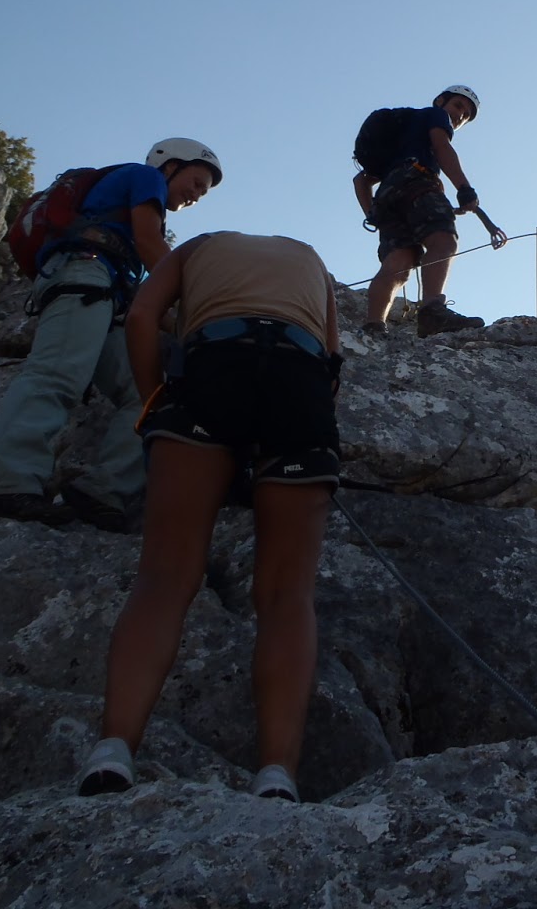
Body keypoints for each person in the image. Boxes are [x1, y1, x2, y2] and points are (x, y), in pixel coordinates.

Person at [76, 230, 342, 803]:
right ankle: (277, 773)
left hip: (213, 366)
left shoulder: (197, 247)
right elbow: (331, 357)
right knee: (287, 595)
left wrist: (155, 408)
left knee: (165, 579)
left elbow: (144, 317)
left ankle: (114, 748)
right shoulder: (311, 259)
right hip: (301, 383)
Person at [0, 138, 222, 529]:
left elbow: (145, 296)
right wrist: (201, 296)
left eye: (203, 192)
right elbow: (149, 241)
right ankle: (5, 486)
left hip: (106, 293)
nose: (197, 194)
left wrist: (187, 323)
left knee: (150, 394)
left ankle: (102, 491)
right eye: (196, 181)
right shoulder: (144, 177)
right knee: (56, 375)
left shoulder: (120, 219)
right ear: (170, 165)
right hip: (84, 276)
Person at [352, 84, 506, 338]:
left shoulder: (402, 137)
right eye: (458, 106)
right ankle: (433, 312)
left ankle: (373, 326)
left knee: (399, 262)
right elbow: (441, 146)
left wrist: (373, 215)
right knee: (443, 240)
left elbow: (361, 181)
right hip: (419, 181)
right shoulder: (434, 116)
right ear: (440, 101)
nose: (460, 115)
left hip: (388, 195)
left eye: (466, 115)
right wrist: (464, 188)